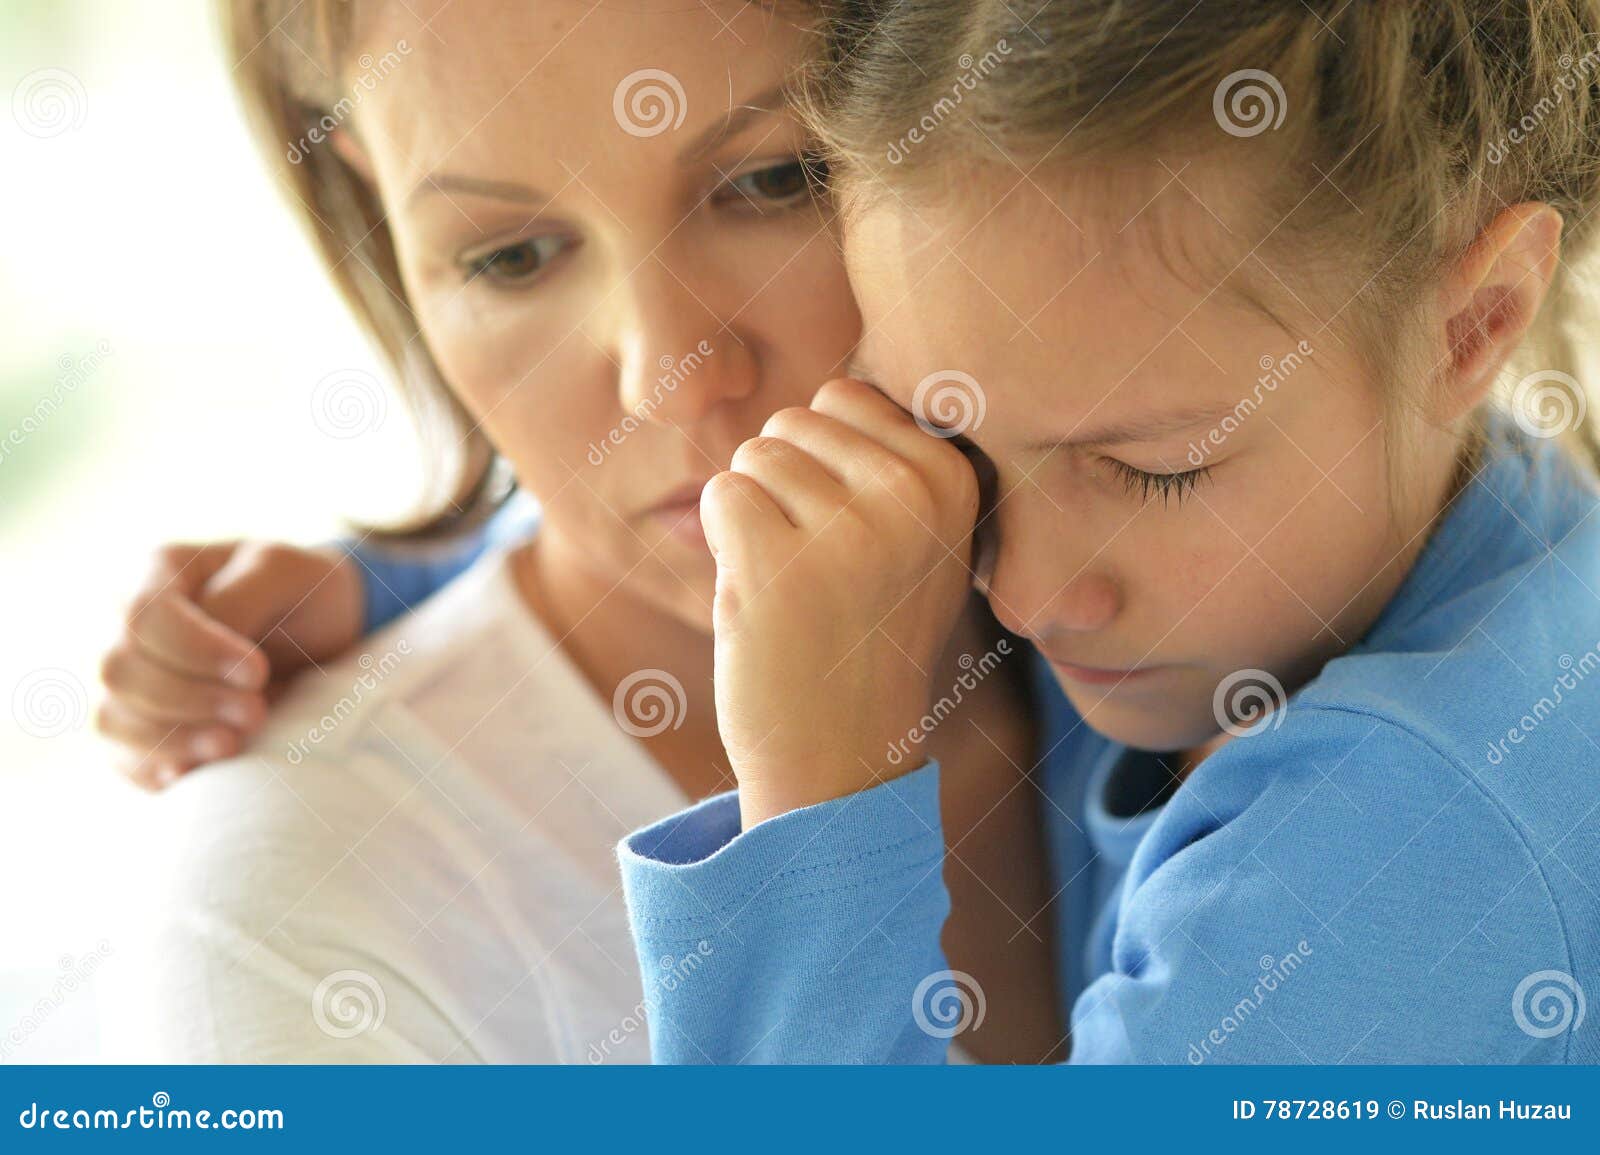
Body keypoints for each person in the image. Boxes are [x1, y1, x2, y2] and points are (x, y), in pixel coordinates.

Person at [616, 0, 1600, 1063]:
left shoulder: (1394, 845)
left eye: (1153, 471)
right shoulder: (1486, 518)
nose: (1023, 599)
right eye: (944, 440)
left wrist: (813, 791)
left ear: (1473, 323)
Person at [96, 0, 1051, 1063]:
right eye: (512, 257)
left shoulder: (1151, 637)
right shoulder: (288, 919)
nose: (669, 381)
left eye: (778, 181)